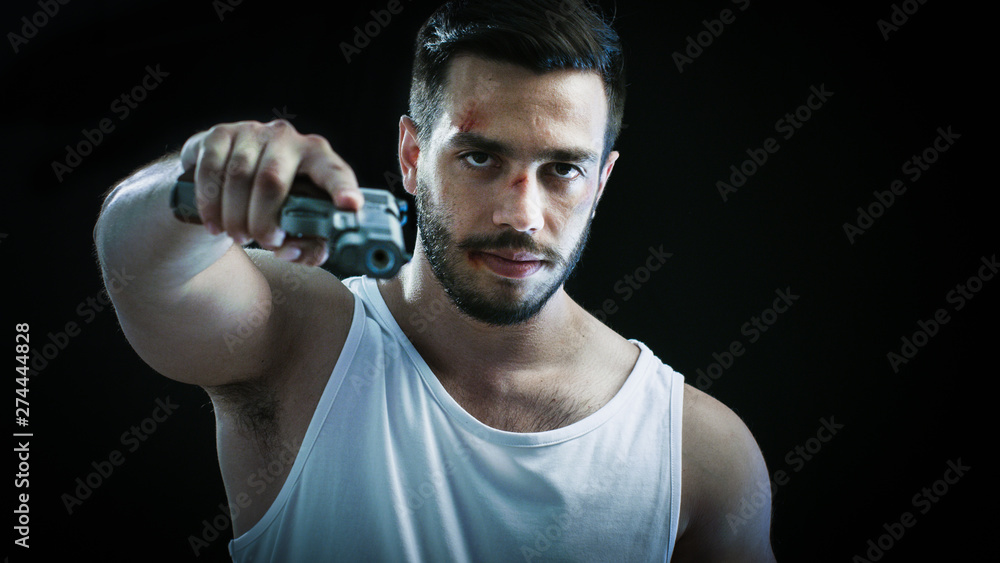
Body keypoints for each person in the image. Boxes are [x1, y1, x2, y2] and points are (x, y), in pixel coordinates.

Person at [94, 0, 776, 560]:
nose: (522, 215)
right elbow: (143, 272)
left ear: (601, 183)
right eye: (480, 156)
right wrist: (196, 183)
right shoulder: (299, 342)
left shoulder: (701, 456)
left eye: (562, 170)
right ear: (412, 156)